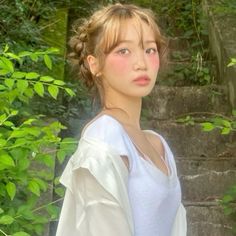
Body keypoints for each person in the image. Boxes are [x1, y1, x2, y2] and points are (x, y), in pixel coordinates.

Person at [56, 3, 187, 236]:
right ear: (94, 64)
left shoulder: (157, 145)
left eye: (149, 50)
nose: (142, 63)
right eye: (123, 51)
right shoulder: (104, 141)